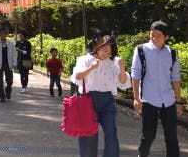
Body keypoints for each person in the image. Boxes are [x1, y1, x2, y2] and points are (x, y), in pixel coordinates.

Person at [72, 35, 130, 157]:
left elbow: (123, 82)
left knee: (111, 133)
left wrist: (122, 69)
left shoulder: (114, 62)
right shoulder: (85, 60)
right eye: (104, 50)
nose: (106, 54)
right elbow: (77, 77)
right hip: (88, 100)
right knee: (89, 135)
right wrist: (91, 68)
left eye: (110, 52)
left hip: (107, 100)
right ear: (98, 47)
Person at [131, 20, 182, 157]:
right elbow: (135, 76)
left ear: (166, 37)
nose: (154, 38)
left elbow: (176, 78)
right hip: (148, 99)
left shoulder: (171, 53)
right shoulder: (141, 50)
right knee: (148, 136)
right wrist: (136, 99)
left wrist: (178, 102)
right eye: (151, 35)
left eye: (158, 36)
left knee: (172, 138)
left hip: (168, 100)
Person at [0, 27, 16, 102]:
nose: (3, 35)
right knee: (0, 81)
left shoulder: (10, 43)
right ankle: (2, 96)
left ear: (6, 34)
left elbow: (14, 53)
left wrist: (14, 62)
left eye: (4, 33)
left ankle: (8, 91)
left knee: (10, 80)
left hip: (8, 64)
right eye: (1, 33)